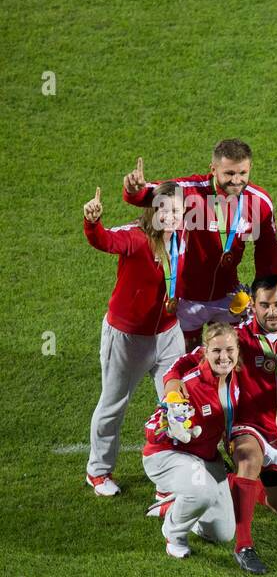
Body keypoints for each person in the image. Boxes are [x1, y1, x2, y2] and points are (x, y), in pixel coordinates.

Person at [162, 276, 277, 573]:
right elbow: (183, 364)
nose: (272, 312)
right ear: (252, 306)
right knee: (248, 458)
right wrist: (174, 388)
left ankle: (221, 486)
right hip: (247, 426)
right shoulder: (238, 337)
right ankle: (244, 546)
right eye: (264, 305)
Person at [82, 183, 187, 498]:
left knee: (176, 405)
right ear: (151, 212)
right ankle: (98, 471)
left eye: (176, 210)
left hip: (168, 334)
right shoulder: (135, 238)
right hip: (127, 338)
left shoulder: (184, 239)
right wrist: (92, 222)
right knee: (113, 404)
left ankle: (167, 477)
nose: (169, 216)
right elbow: (105, 241)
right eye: (163, 209)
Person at [121, 140, 277, 347]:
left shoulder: (259, 202)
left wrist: (262, 292)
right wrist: (134, 191)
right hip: (185, 298)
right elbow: (154, 193)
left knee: (230, 356)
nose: (237, 180)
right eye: (229, 173)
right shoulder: (191, 191)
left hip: (228, 296)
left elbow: (267, 253)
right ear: (213, 169)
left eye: (243, 173)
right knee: (185, 359)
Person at [140, 322, 240, 565]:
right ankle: (173, 534)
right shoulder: (189, 385)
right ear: (205, 352)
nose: (224, 357)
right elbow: (151, 430)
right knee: (201, 491)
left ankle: (179, 502)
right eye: (216, 351)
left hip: (206, 458)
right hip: (167, 456)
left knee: (223, 534)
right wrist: (169, 424)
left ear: (238, 351)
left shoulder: (236, 378)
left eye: (229, 350)